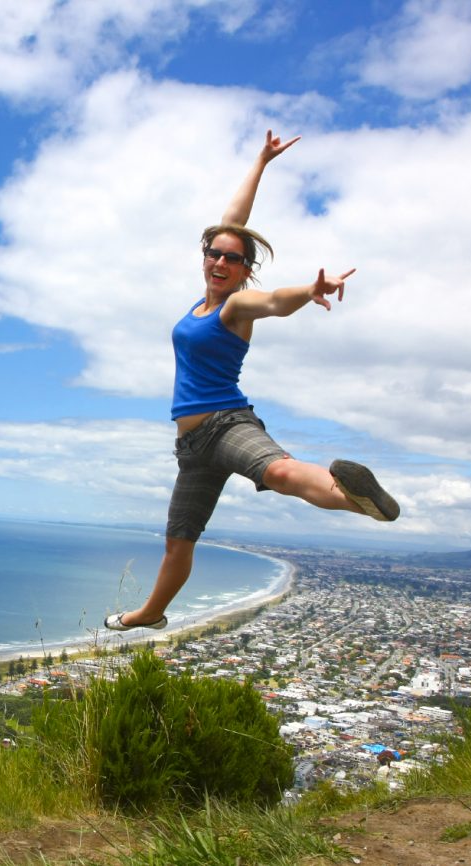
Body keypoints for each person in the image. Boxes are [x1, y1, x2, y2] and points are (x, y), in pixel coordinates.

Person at [105, 131, 399, 632]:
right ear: (205, 256)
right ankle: (150, 614)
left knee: (280, 473)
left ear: (245, 271)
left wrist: (311, 289)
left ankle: (358, 498)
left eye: (233, 259)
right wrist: (261, 161)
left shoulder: (237, 305)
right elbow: (232, 222)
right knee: (179, 540)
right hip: (193, 449)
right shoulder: (200, 300)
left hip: (227, 425)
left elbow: (276, 302)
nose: (221, 261)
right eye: (214, 253)